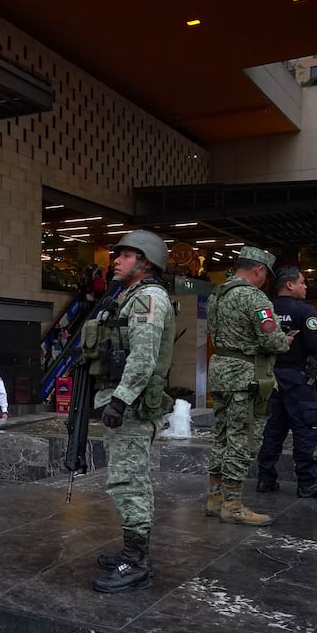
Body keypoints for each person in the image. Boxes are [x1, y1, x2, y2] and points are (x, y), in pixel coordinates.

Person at [84, 231, 176, 593]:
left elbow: (143, 355)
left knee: (129, 481)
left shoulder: (148, 298)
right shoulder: (129, 296)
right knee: (128, 478)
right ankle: (132, 549)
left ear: (145, 261)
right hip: (129, 402)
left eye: (124, 255)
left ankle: (136, 562)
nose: (116, 261)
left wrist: (120, 400)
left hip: (134, 407)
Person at [205, 246, 292, 526]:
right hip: (245, 377)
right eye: (265, 275)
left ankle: (215, 498)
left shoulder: (217, 295)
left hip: (219, 372)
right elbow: (272, 340)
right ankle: (232, 504)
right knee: (242, 440)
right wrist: (284, 340)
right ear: (259, 270)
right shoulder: (254, 297)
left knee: (221, 436)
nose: (265, 280)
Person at [256, 266, 317, 498]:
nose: (305, 286)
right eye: (302, 282)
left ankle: (265, 478)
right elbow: (316, 343)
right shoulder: (305, 310)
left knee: (273, 430)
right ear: (290, 285)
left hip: (271, 378)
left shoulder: (266, 310)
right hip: (299, 380)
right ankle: (307, 483)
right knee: (306, 429)